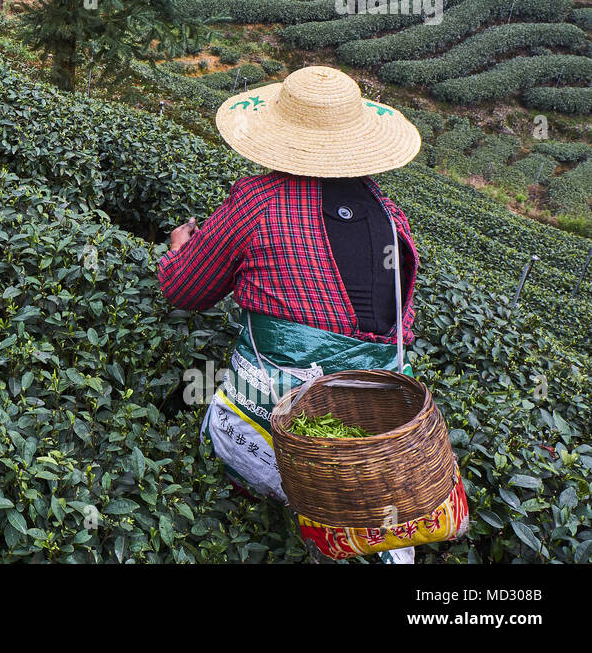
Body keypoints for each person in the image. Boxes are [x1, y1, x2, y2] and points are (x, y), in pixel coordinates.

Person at [157, 65, 423, 563]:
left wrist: (179, 249)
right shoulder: (392, 221)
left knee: (230, 426)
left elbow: (184, 289)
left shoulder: (260, 203)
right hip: (368, 451)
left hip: (267, 438)